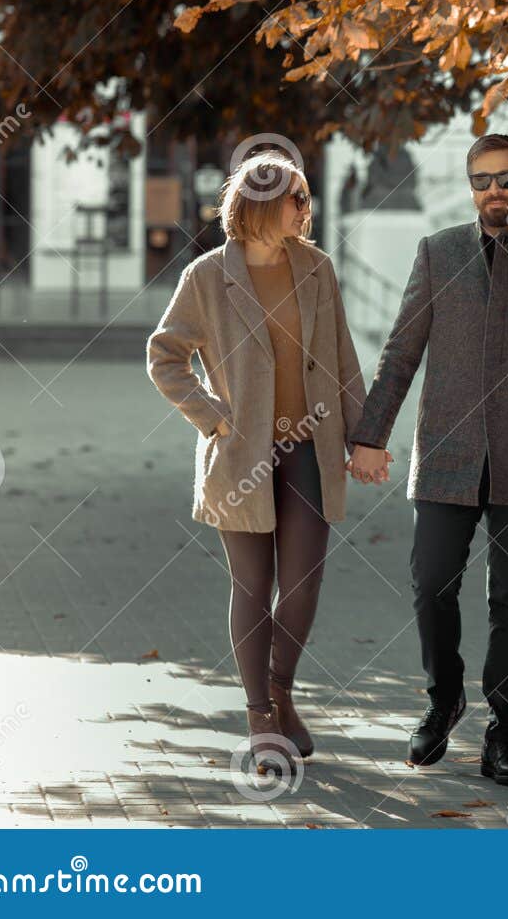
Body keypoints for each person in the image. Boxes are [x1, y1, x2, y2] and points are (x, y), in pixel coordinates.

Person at [349, 133, 508, 787]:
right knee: (431, 580)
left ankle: (505, 734)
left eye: (507, 178)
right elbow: (401, 351)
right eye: (482, 179)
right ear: (471, 187)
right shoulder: (438, 253)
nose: (495, 190)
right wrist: (369, 434)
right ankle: (443, 698)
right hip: (445, 450)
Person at [146, 151, 365, 771]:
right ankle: (260, 720)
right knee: (252, 585)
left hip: (311, 450)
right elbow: (165, 356)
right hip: (241, 453)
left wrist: (364, 436)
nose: (307, 208)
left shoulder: (317, 269)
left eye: (306, 197)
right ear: (266, 204)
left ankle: (281, 688)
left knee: (302, 582)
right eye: (298, 197)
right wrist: (213, 417)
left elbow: (344, 359)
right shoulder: (207, 277)